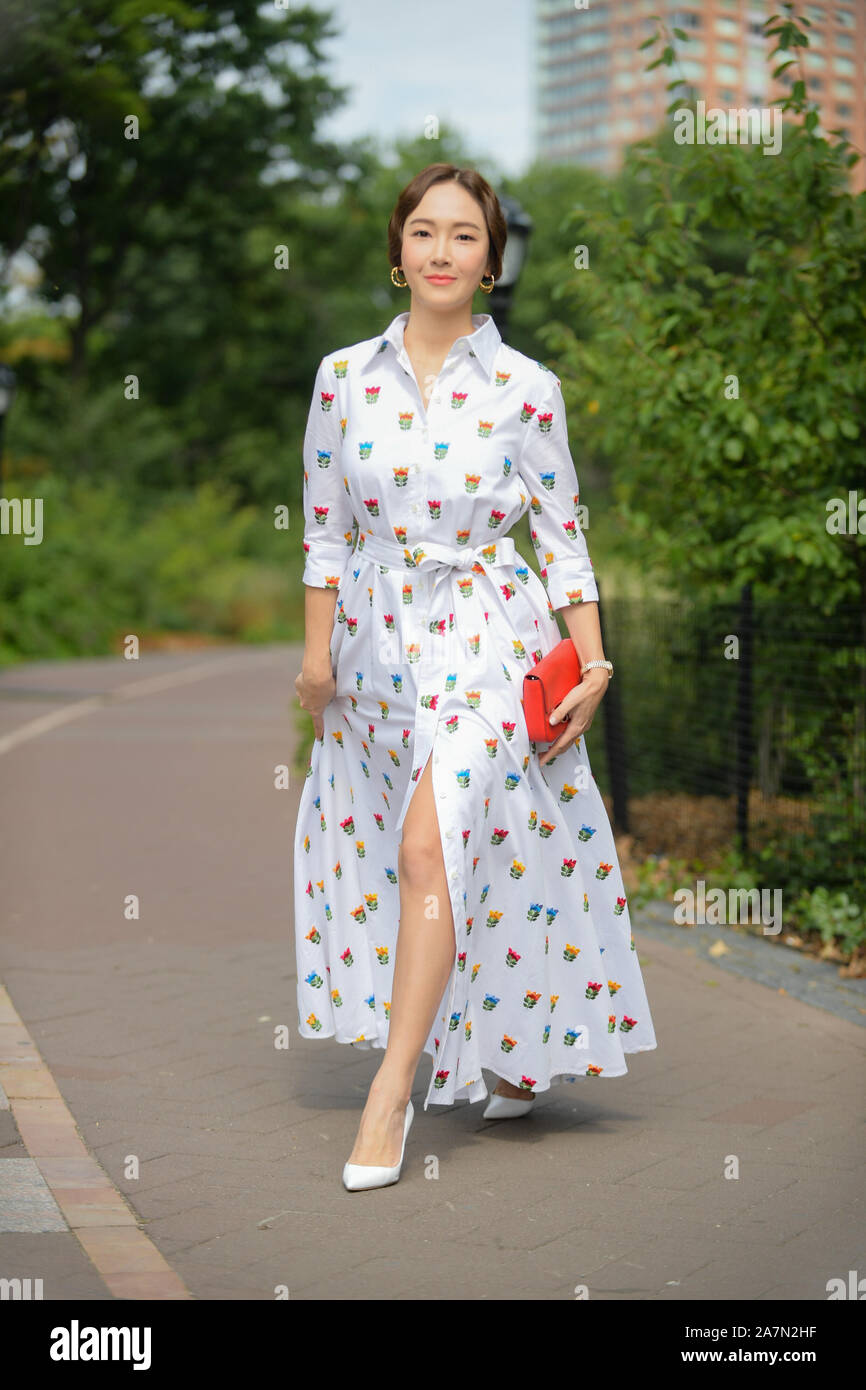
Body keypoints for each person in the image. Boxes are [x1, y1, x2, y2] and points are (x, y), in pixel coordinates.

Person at [293, 163, 657, 1192]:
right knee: (465, 855)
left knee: (431, 844)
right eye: (424, 230)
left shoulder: (526, 388)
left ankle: (388, 1095)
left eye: (463, 234)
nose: (441, 250)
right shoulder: (341, 377)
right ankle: (513, 1052)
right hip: (372, 651)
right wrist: (315, 660)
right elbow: (324, 529)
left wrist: (593, 661)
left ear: (490, 260)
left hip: (490, 638)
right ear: (397, 251)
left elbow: (562, 539)